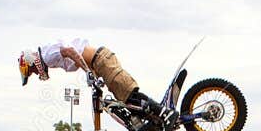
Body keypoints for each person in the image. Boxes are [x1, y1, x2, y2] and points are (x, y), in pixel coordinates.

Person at [18, 39, 158, 117]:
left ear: (32, 62)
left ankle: (161, 112)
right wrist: (92, 76)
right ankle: (152, 119)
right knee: (124, 100)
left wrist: (87, 71)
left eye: (32, 71)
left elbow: (71, 52)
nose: (36, 74)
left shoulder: (47, 56)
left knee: (127, 94)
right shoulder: (48, 56)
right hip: (97, 64)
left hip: (100, 60)